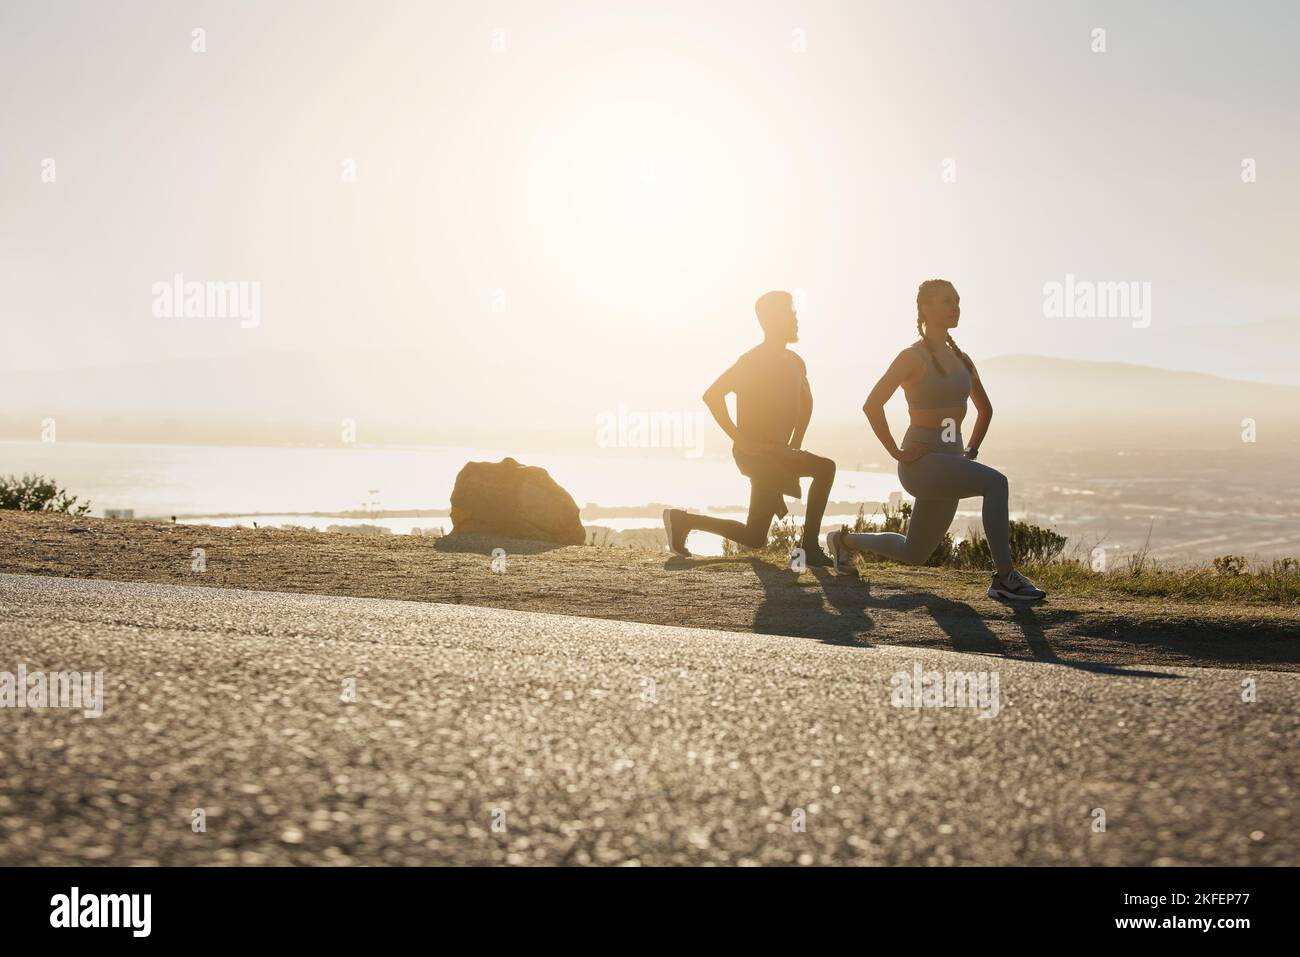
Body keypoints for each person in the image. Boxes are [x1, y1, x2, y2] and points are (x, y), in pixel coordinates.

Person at [825, 279, 1047, 601]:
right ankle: (1005, 578)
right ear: (925, 308)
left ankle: (844, 543)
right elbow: (872, 405)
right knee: (996, 484)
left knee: (914, 552)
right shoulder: (911, 357)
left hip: (951, 463)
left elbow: (985, 410)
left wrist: (969, 451)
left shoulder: (963, 360)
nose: (955, 307)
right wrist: (897, 452)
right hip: (921, 464)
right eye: (946, 301)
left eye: (957, 301)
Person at [663, 291, 836, 566]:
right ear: (772, 319)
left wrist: (796, 443)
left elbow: (807, 402)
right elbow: (712, 395)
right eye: (790, 312)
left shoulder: (795, 362)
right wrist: (740, 438)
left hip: (779, 453)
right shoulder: (752, 361)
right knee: (824, 469)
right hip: (755, 455)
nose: (795, 317)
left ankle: (682, 521)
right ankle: (809, 549)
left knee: (755, 536)